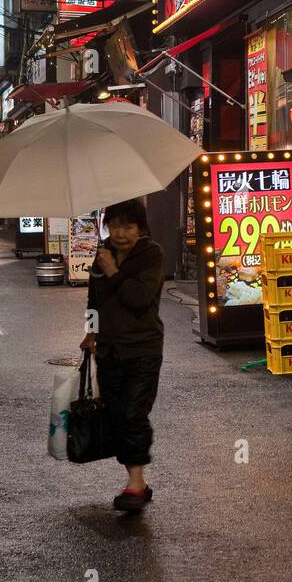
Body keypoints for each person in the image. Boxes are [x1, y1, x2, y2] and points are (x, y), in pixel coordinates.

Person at [81, 199, 165, 512]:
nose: (120, 233)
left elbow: (139, 298)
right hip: (109, 348)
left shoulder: (152, 254)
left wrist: (113, 270)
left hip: (143, 347)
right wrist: (90, 332)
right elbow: (93, 297)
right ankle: (136, 481)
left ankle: (136, 483)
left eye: (128, 226)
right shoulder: (102, 252)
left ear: (140, 228)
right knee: (117, 415)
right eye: (114, 225)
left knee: (133, 413)